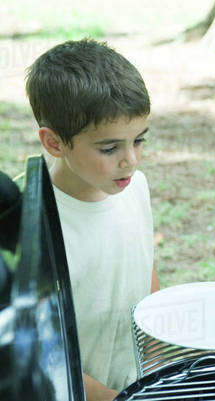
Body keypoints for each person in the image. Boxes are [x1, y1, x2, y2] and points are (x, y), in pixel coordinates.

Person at [23, 39, 160, 401]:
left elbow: (145, 269)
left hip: (134, 387)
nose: (130, 160)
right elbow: (41, 355)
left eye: (139, 140)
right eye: (110, 148)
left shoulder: (135, 187)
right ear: (54, 143)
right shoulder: (33, 227)